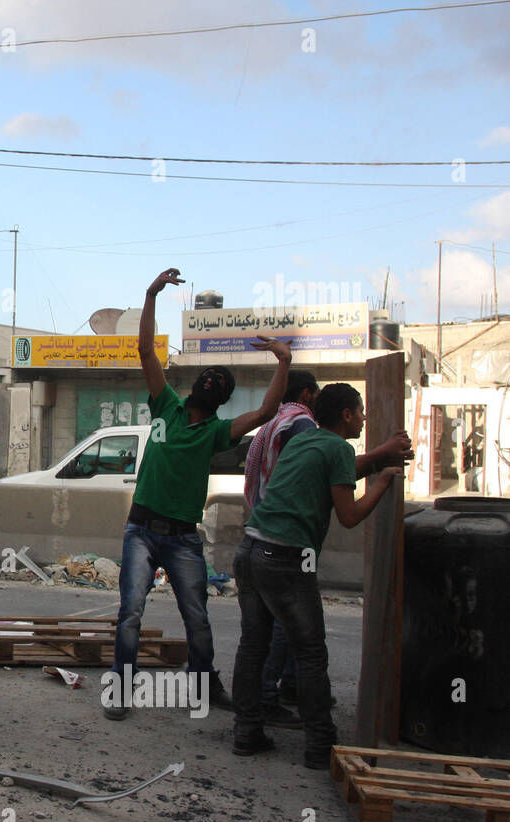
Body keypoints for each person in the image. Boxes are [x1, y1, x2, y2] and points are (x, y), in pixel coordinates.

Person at [105, 267, 292, 720]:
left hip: (184, 537)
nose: (213, 385)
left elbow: (268, 411)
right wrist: (150, 293)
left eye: (220, 385)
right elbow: (145, 348)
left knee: (198, 620)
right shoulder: (164, 404)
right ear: (197, 385)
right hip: (142, 530)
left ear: (222, 398)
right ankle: (120, 691)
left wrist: (283, 363)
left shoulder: (216, 432)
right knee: (130, 613)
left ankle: (204, 688)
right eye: (211, 379)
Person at [232, 384, 405, 769]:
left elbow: (338, 471)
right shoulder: (338, 449)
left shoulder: (304, 442)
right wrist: (383, 479)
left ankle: (246, 733)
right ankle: (319, 746)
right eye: (360, 412)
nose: (363, 419)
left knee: (252, 647)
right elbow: (349, 515)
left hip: (250, 550)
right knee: (310, 652)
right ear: (346, 415)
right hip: (286, 558)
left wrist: (376, 459)